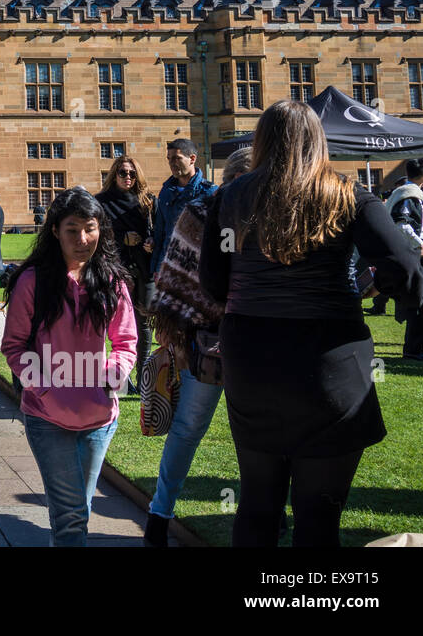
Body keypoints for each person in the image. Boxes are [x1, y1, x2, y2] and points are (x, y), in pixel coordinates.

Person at [200, 100, 423, 547]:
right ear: (318, 141)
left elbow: (213, 280)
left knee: (257, 506)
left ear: (262, 141)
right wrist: (381, 291)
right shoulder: (349, 195)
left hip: (253, 359)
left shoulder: (230, 196)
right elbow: (406, 265)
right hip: (329, 362)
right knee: (318, 518)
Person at [2, 186, 137, 546]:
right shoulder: (32, 282)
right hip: (48, 419)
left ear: (101, 229)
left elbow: (126, 342)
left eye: (89, 228)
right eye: (72, 229)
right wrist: (46, 389)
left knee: (80, 510)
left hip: (99, 419)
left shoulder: (113, 281)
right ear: (55, 232)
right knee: (71, 516)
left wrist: (113, 375)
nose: (82, 238)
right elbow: (13, 346)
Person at [144, 146, 254, 546]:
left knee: (249, 437)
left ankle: (265, 513)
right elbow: (175, 278)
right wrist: (175, 334)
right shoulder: (202, 212)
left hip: (238, 344)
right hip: (207, 342)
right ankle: (159, 513)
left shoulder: (266, 216)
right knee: (192, 428)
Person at [95, 154, 155, 379]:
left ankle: (142, 375)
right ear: (114, 175)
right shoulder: (101, 202)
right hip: (116, 267)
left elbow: (158, 230)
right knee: (117, 322)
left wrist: (151, 241)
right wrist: (122, 239)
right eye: (122, 173)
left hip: (144, 267)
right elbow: (97, 234)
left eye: (132, 173)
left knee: (144, 320)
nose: (127, 177)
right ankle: (121, 373)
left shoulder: (147, 200)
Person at [147, 139, 214, 279]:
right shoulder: (166, 191)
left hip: (196, 268)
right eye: (169, 158)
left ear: (192, 159)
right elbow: (161, 232)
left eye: (177, 158)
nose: (172, 163)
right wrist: (156, 267)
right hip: (167, 266)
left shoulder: (209, 192)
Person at [387, 158, 423, 361]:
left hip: (418, 252)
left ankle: (418, 345)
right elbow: (402, 224)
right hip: (418, 254)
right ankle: (414, 347)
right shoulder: (409, 195)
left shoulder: (407, 193)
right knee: (421, 301)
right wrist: (419, 243)